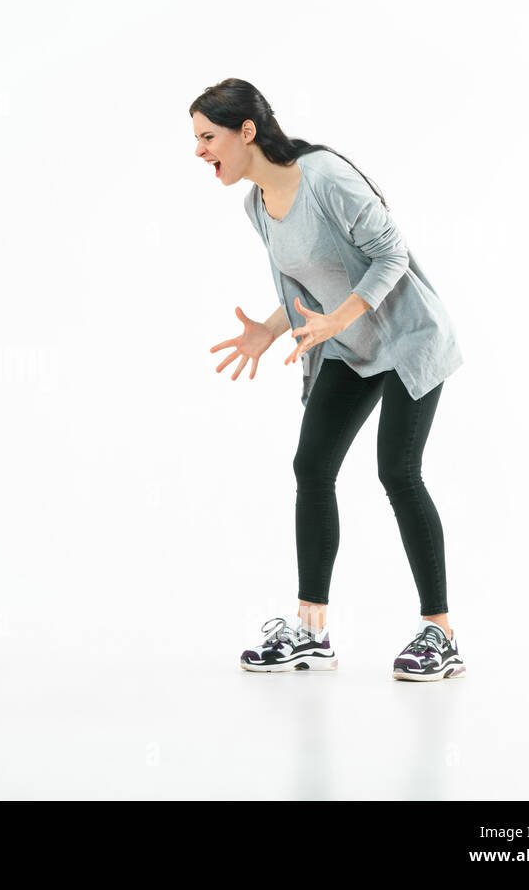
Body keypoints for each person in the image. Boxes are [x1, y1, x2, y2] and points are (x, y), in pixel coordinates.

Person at [191, 78, 465, 681]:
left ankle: (439, 634)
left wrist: (340, 316)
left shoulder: (325, 177)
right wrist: (269, 328)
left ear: (247, 131)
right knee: (311, 467)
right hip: (346, 347)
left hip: (408, 340)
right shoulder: (256, 205)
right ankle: (310, 632)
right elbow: (305, 289)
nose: (200, 152)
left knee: (398, 470)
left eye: (208, 137)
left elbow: (393, 253)